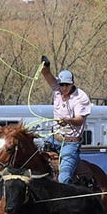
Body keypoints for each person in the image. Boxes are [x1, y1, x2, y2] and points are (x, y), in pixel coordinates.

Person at [40, 56, 92, 184]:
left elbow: (80, 119)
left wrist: (68, 120)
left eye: (66, 85)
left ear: (72, 84)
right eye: (61, 84)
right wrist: (45, 65)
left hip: (70, 143)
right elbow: (46, 74)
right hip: (53, 138)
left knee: (63, 179)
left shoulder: (81, 97)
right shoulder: (57, 89)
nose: (63, 88)